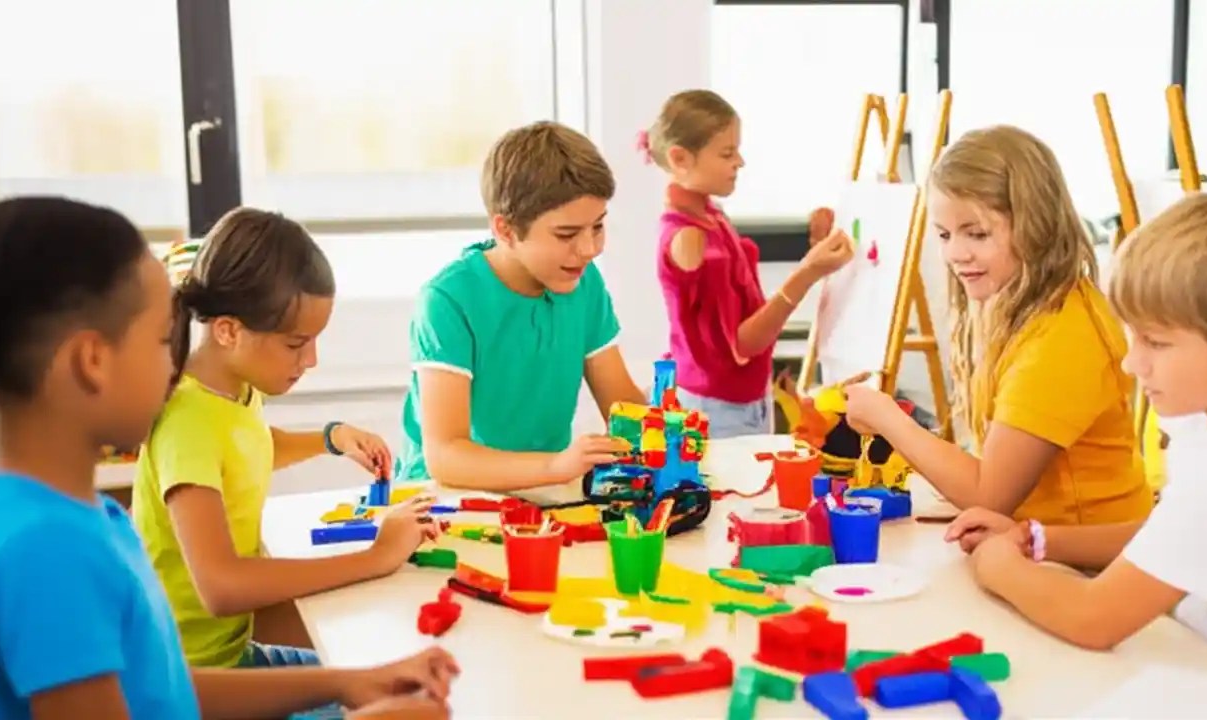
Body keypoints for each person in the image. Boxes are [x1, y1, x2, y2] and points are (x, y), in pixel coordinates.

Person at [0, 196, 457, 719]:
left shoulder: (64, 518)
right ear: (92, 362)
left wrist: (349, 682)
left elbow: (160, 692)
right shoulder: (50, 550)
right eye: (164, 339)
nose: (177, 363)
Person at [944, 193, 1207, 660]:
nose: (1133, 363)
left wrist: (998, 565)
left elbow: (1093, 619)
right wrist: (1036, 537)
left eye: (1156, 343)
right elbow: (1163, 532)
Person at [131, 207, 436, 670]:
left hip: (231, 656)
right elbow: (221, 586)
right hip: (196, 681)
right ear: (229, 330)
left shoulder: (229, 393)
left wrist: (331, 438)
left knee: (388, 676)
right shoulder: (187, 421)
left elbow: (245, 447)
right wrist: (376, 556)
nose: (311, 360)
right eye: (296, 344)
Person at [844, 125, 1152, 525]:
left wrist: (888, 419)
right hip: (1039, 541)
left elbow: (990, 496)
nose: (955, 253)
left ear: (1035, 225)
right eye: (944, 234)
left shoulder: (1062, 336)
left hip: (1085, 559)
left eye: (976, 234)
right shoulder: (1016, 306)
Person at [397, 121, 649, 503]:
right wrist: (556, 466)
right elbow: (445, 455)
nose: (589, 248)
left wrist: (667, 426)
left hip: (542, 495)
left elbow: (623, 408)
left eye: (597, 226)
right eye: (566, 235)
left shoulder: (585, 283)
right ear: (506, 229)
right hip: (445, 502)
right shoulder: (448, 300)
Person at [641, 89, 854, 438]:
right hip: (713, 411)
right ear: (680, 159)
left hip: (738, 401)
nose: (739, 161)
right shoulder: (689, 240)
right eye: (727, 153)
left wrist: (811, 237)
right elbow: (741, 345)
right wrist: (808, 271)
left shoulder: (709, 214)